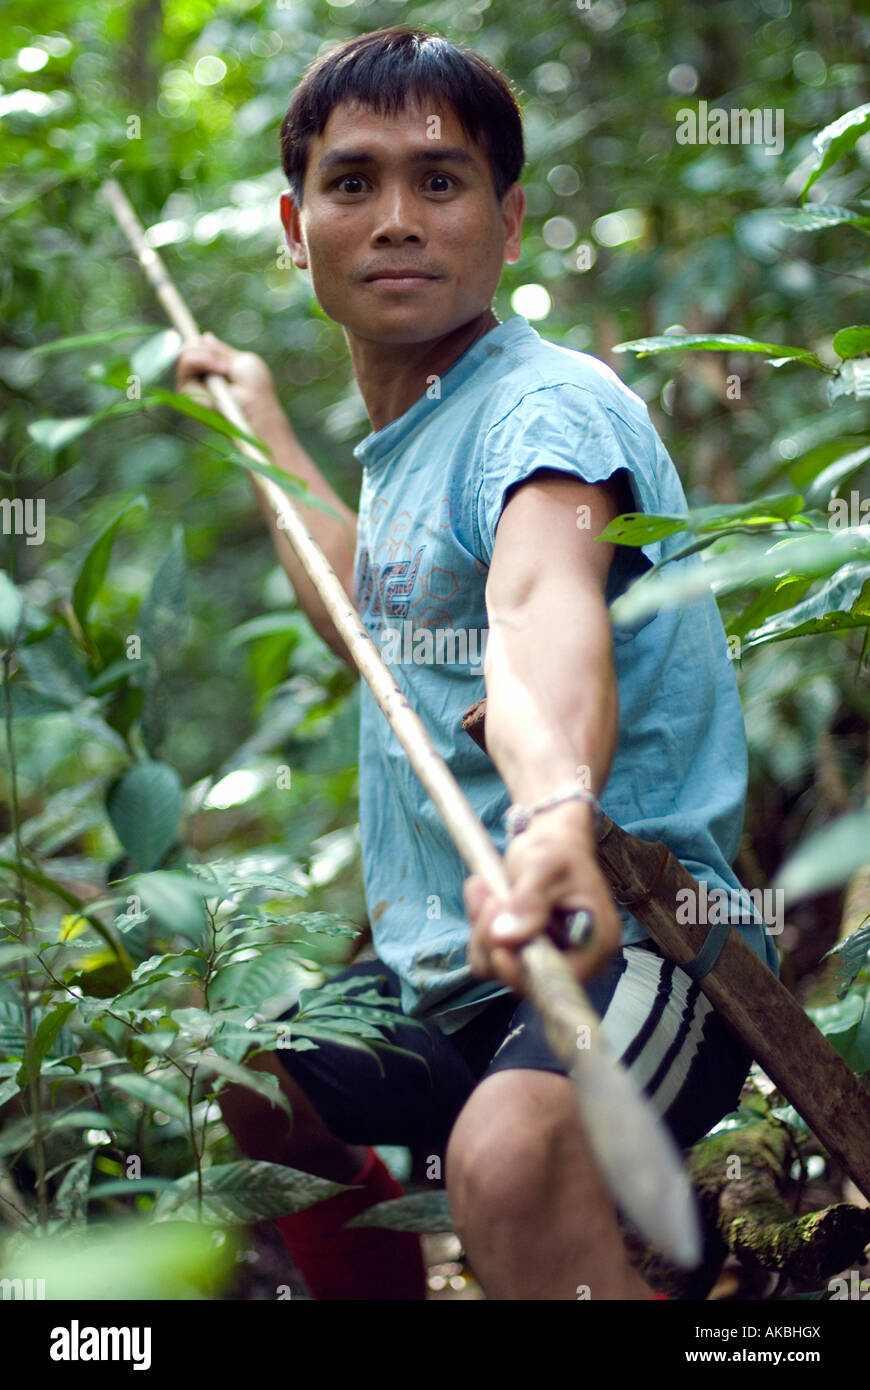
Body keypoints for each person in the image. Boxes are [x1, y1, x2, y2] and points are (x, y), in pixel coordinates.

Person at [175, 25, 777, 1301]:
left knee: (506, 1162)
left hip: (636, 949)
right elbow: (377, 631)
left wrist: (556, 811)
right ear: (296, 227)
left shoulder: (542, 410)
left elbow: (538, 610)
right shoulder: (417, 436)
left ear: (508, 225)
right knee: (237, 1076)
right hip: (441, 977)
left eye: (438, 181)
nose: (396, 217)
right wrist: (260, 423)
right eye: (353, 183)